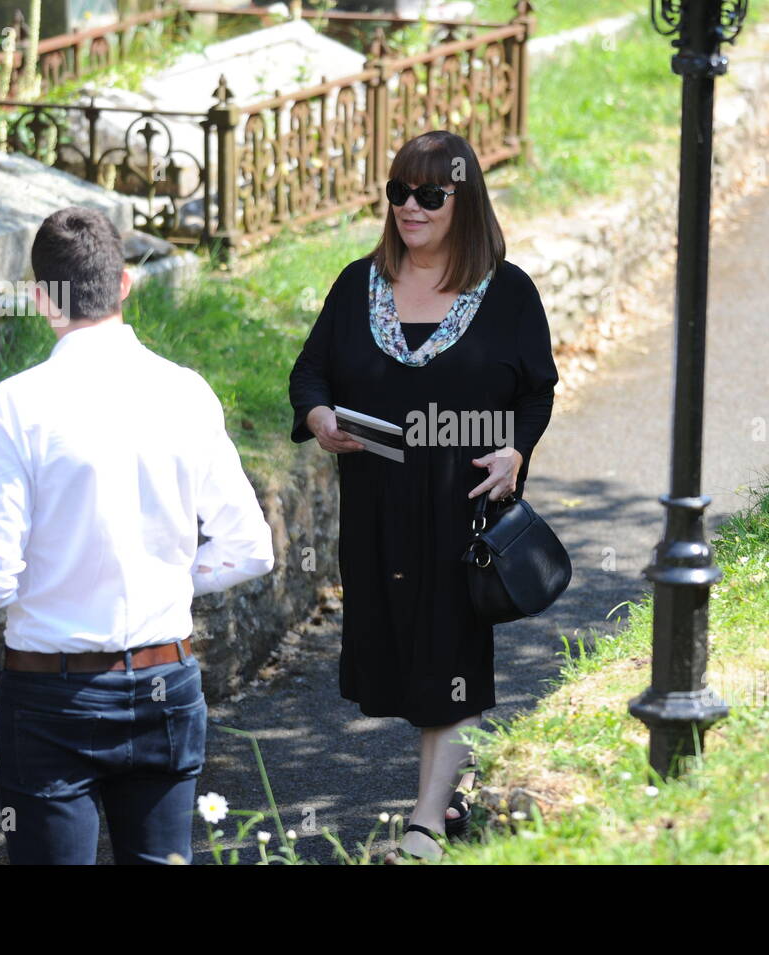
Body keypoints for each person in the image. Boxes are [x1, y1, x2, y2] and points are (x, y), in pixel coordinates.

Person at [0, 206, 275, 864]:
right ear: (126, 284)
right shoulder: (186, 392)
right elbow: (251, 548)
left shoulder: (15, 405)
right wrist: (166, 576)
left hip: (50, 694)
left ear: (43, 298)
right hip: (165, 680)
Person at [288, 130, 558, 861]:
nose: (411, 206)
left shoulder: (507, 293)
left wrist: (516, 451)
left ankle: (426, 822)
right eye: (399, 191)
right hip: (375, 507)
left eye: (430, 194)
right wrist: (319, 418)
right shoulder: (357, 285)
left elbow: (538, 389)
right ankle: (446, 799)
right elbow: (309, 373)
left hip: (458, 505)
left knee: (449, 652)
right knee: (399, 655)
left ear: (462, 202)